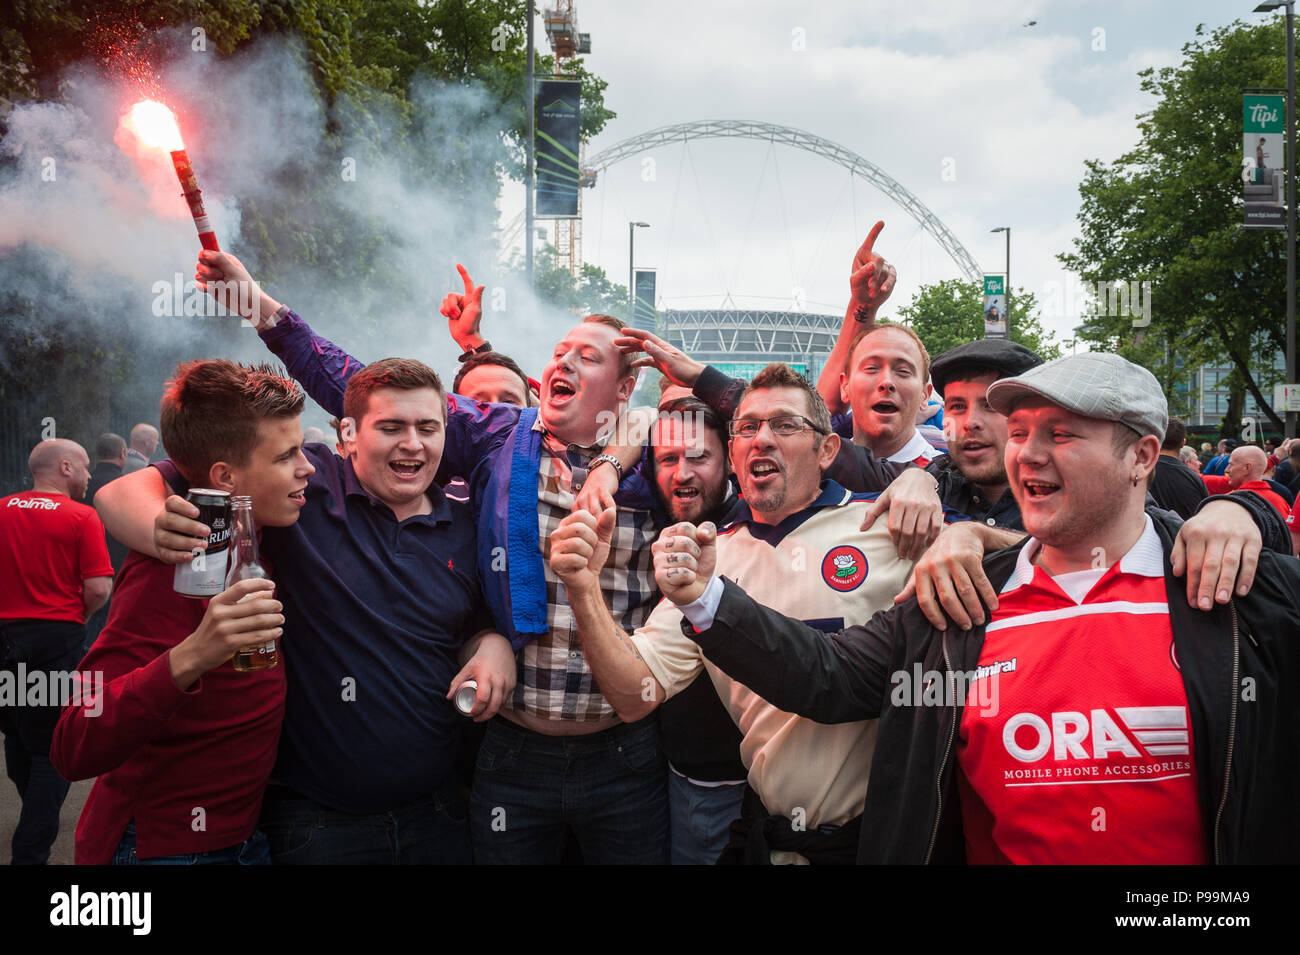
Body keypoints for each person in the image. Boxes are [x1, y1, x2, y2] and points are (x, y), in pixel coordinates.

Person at [650, 352, 1300, 863]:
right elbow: (827, 675)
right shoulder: (959, 597)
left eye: (1062, 433)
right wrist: (707, 596)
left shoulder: (1233, 593)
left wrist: (1246, 508)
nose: (1029, 453)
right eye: (1019, 432)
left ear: (1143, 456)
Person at [192, 247, 668, 865]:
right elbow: (365, 387)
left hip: (625, 752)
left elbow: (733, 440)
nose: (564, 361)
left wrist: (620, 452)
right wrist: (258, 306)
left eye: (588, 357)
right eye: (558, 352)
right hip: (513, 750)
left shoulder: (659, 462)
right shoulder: (503, 434)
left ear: (625, 387)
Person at [96, 354, 516, 865]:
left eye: (428, 427)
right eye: (391, 426)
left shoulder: (469, 523)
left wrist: (490, 643)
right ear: (349, 434)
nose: (412, 443)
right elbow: (133, 487)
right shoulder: (303, 491)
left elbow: (474, 617)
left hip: (438, 814)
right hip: (313, 824)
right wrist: (158, 530)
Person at [550, 364, 965, 864]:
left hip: (888, 839)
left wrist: (971, 535)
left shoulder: (889, 525)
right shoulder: (709, 558)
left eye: (785, 425)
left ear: (828, 449)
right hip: (771, 837)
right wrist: (583, 588)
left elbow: (1025, 553)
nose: (761, 439)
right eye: (746, 428)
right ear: (733, 453)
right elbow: (634, 694)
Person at [51, 361, 308, 865]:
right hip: (161, 851)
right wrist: (192, 655)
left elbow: (171, 470)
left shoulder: (264, 532)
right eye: (287, 456)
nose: (309, 467)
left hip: (243, 839)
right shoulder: (167, 571)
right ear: (226, 478)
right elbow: (73, 742)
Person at [641, 392, 749, 864]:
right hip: (666, 773)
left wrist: (917, 481)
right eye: (668, 458)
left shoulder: (759, 524)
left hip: (741, 783)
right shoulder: (639, 517)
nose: (681, 472)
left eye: (698, 457)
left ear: (728, 460)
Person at [0, 439, 113, 864]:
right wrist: (78, 617)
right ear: (65, 467)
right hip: (55, 640)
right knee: (52, 750)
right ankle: (29, 852)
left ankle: (33, 811)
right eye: (83, 467)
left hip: (3, 639)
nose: (87, 476)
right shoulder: (82, 516)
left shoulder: (1, 508)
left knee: (15, 731)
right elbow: (99, 587)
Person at [916, 337, 1044, 531]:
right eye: (957, 406)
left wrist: (987, 537)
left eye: (991, 405)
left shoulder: (1072, 498)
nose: (970, 422)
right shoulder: (926, 486)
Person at [83, 433, 130, 650]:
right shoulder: (123, 485)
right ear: (122, 454)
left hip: (83, 565)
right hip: (115, 566)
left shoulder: (83, 482)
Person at [1205, 444, 1291, 519]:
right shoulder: (1281, 502)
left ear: (1247, 468)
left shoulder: (1227, 502)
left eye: (1231, 465)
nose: (1226, 470)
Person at [1148, 416, 1207, 520]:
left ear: (1157, 439)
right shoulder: (1194, 479)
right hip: (1183, 534)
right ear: (1183, 443)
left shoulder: (1142, 472)